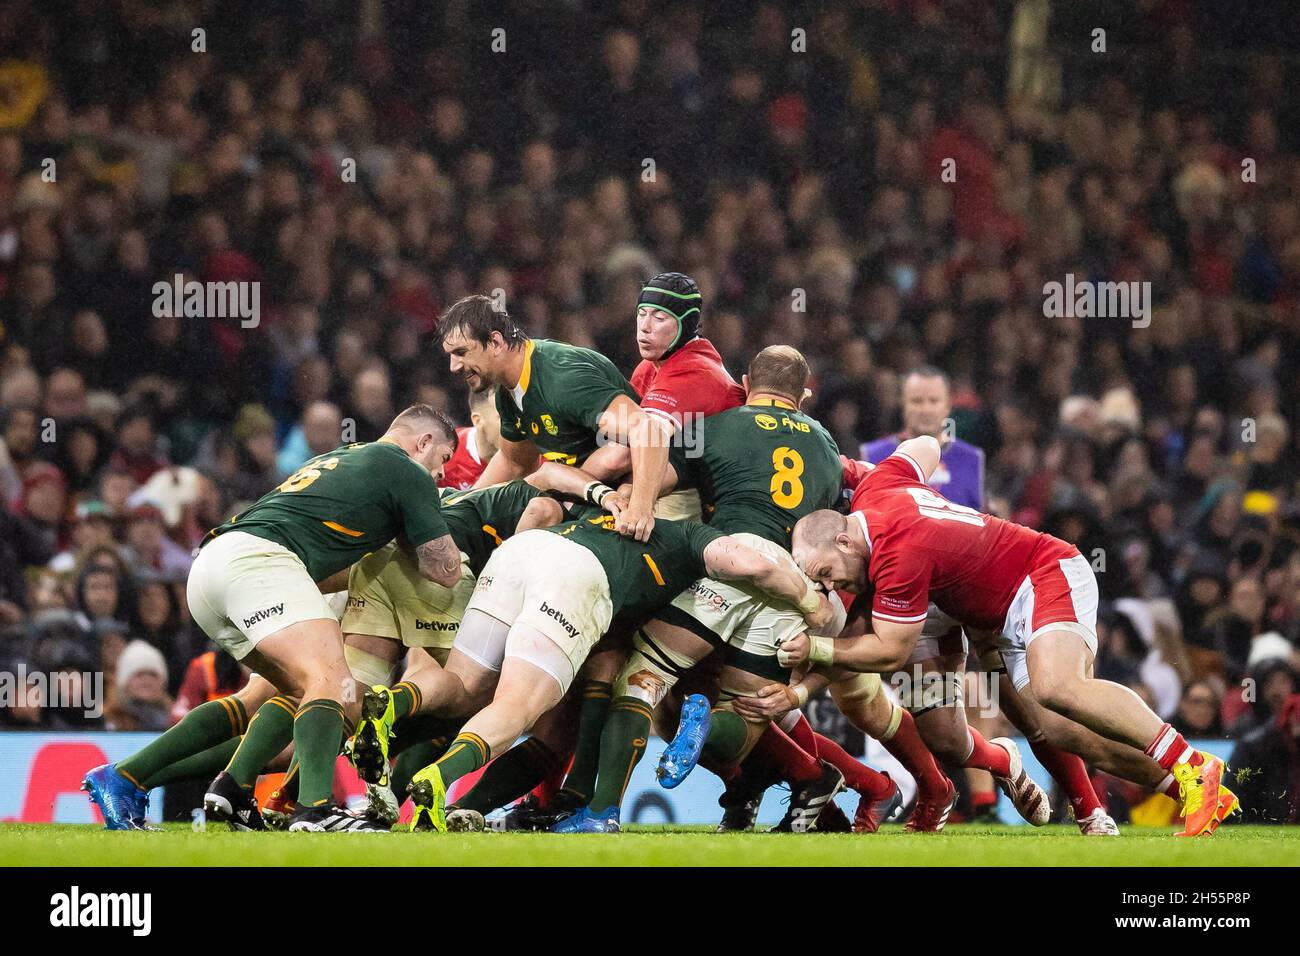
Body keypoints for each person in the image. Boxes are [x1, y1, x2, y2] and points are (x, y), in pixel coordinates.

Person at [785, 440, 1240, 837]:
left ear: (844, 542)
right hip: (985, 610)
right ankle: (1190, 790)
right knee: (1053, 728)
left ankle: (1192, 768)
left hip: (1039, 575)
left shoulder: (895, 555)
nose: (829, 584)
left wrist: (815, 651)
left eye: (826, 574)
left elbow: (889, 649)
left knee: (1056, 688)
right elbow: (924, 444)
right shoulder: (877, 485)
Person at [83, 404, 461, 832]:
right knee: (331, 677)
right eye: (444, 459)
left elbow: (323, 571)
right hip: (259, 562)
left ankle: (135, 778)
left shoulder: (337, 460)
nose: (443, 473)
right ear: (423, 442)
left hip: (213, 567)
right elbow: (444, 569)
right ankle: (315, 808)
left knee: (264, 699)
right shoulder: (404, 469)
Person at [404, 506, 833, 833]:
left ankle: (396, 728)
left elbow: (545, 490)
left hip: (520, 555)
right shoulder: (689, 534)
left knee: (636, 683)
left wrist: (598, 493)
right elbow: (758, 567)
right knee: (741, 714)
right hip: (723, 569)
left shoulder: (594, 502)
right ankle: (446, 781)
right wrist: (815, 604)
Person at [438, 294, 667, 541]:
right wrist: (466, 503)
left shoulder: (561, 377)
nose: (454, 366)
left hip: (637, 497)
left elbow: (647, 430)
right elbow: (514, 461)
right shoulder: (508, 393)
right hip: (585, 499)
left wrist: (640, 509)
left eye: (461, 352)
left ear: (495, 342)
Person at [862, 367, 984, 510]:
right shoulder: (872, 456)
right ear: (903, 403)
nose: (926, 409)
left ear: (948, 405)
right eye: (917, 401)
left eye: (934, 401)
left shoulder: (973, 458)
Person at [438, 389, 501, 490]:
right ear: (478, 420)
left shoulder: (530, 447)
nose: (513, 424)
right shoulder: (444, 455)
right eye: (502, 417)